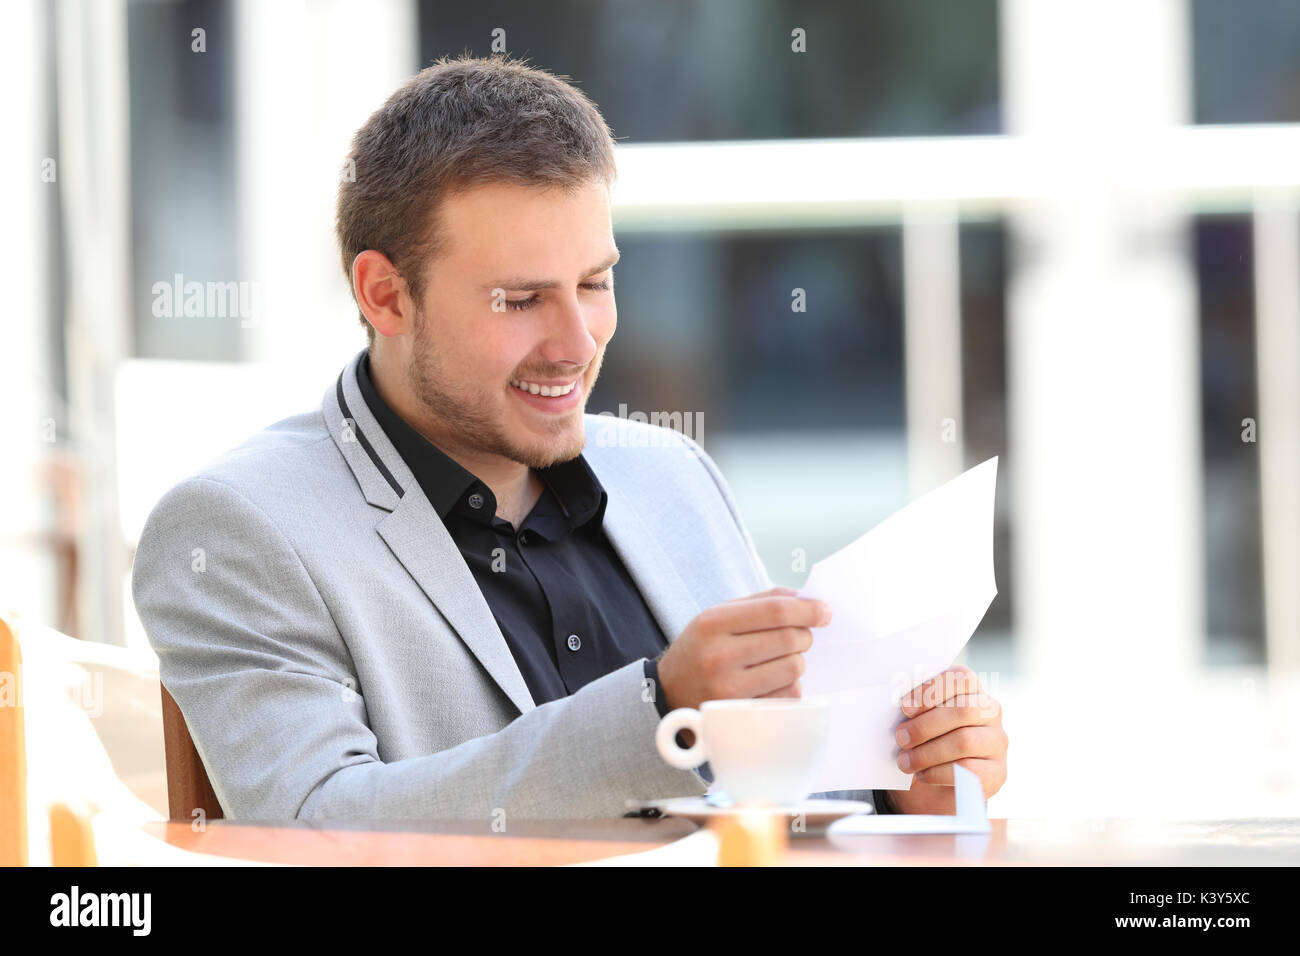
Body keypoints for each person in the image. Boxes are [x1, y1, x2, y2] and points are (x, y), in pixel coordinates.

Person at [132, 54, 1007, 821]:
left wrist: (898, 784)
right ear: (386, 296)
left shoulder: (670, 473)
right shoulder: (237, 528)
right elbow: (316, 825)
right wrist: (660, 709)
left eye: (594, 283)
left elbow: (774, 791)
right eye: (520, 300)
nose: (579, 343)